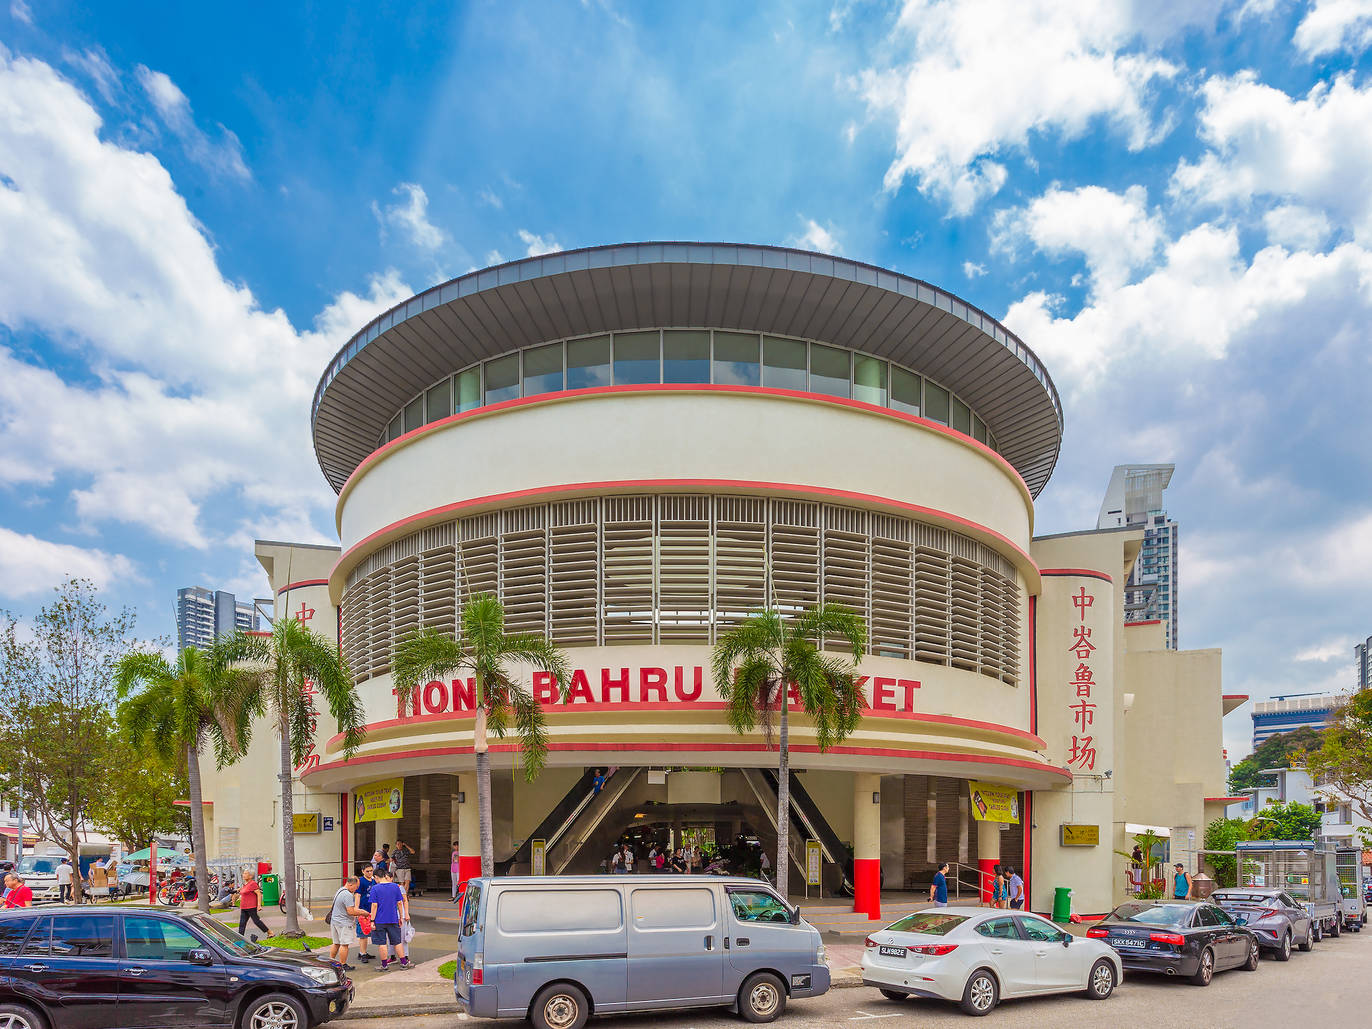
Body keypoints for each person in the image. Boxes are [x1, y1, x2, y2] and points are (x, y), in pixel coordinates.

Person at [368, 869, 411, 971]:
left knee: (382, 943)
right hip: (393, 919)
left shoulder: (375, 888)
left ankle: (384, 965)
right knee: (397, 942)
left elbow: (374, 905)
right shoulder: (395, 887)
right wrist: (401, 917)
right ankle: (404, 963)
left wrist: (372, 920)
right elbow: (400, 903)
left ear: (376, 877)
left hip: (379, 920)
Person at [328, 875, 363, 970]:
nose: (356, 889)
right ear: (351, 884)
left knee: (336, 943)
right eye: (356, 887)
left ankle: (330, 962)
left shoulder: (340, 890)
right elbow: (351, 911)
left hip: (335, 921)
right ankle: (343, 965)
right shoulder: (347, 894)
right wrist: (363, 913)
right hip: (343, 923)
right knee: (344, 944)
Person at [237, 871, 273, 938]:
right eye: (243, 873)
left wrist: (259, 905)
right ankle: (240, 938)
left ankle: (270, 932)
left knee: (256, 921)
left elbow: (259, 894)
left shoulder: (252, 884)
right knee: (242, 923)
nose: (243, 875)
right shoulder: (245, 884)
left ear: (250, 876)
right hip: (244, 907)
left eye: (245, 873)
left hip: (251, 907)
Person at [355, 864, 376, 962]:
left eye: (371, 870)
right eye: (367, 871)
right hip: (363, 910)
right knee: (362, 934)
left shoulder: (374, 881)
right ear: (363, 871)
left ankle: (364, 952)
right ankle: (362, 953)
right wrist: (356, 909)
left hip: (372, 910)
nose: (370, 872)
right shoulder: (361, 881)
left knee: (367, 932)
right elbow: (358, 896)